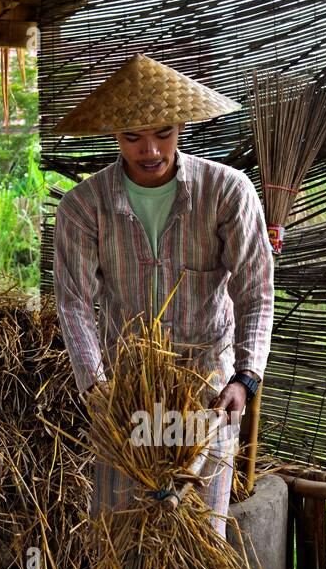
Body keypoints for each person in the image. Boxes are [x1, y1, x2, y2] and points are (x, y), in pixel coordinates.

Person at [51, 53, 273, 538]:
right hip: (123, 395)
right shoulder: (84, 207)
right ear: (115, 133)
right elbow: (72, 302)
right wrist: (96, 385)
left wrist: (244, 378)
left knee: (196, 538)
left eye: (163, 133)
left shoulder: (227, 193)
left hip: (204, 395)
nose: (150, 149)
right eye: (133, 136)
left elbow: (254, 289)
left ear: (181, 126)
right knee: (120, 532)